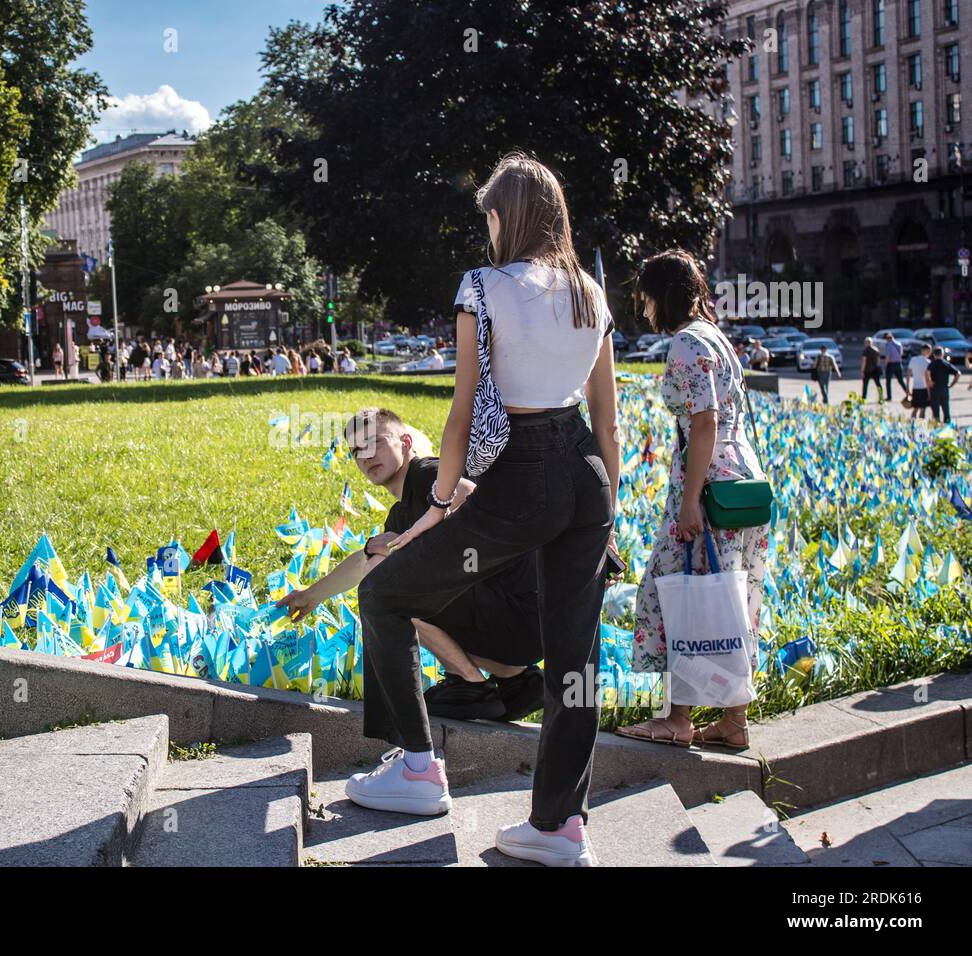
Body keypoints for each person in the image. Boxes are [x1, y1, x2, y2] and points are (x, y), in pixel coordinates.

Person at [345, 152, 619, 867]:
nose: (486, 228)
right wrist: (609, 517)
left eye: (488, 216)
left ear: (505, 216)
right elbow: (607, 422)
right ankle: (560, 827)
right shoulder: (591, 290)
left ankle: (416, 769)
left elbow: (462, 418)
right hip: (586, 475)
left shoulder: (482, 287)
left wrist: (436, 509)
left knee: (382, 594)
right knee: (575, 664)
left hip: (523, 474)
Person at [276, 408, 546, 722]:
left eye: (374, 442)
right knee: (382, 575)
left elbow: (470, 496)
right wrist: (310, 596)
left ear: (405, 443)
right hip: (521, 629)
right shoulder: (401, 512)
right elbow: (366, 560)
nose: (365, 456)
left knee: (388, 585)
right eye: (355, 451)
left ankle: (470, 685)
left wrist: (409, 544)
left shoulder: (427, 473)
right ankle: (517, 681)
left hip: (520, 609)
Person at [617, 250, 769, 754]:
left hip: (706, 482)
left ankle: (675, 719)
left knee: (670, 589)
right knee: (727, 596)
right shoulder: (716, 336)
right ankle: (733, 721)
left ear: (663, 296)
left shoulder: (685, 342)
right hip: (741, 481)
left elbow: (702, 422)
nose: (642, 311)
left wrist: (688, 502)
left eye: (644, 299)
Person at [927, 346, 960, 423]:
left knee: (936, 412)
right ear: (942, 354)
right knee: (946, 411)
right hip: (944, 389)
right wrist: (952, 384)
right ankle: (947, 427)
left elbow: (927, 373)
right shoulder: (946, 364)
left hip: (935, 389)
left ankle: (937, 427)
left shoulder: (932, 364)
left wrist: (930, 381)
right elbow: (958, 373)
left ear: (934, 354)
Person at [908, 343, 932, 420]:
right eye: (929, 351)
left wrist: (907, 387)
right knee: (923, 409)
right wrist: (929, 392)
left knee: (915, 408)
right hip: (924, 388)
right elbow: (928, 378)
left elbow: (908, 374)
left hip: (915, 387)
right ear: (927, 351)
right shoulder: (928, 362)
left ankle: (912, 425)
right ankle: (921, 426)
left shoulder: (913, 360)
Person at [882, 333, 908, 401]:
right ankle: (908, 393)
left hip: (891, 364)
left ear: (887, 339)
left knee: (888, 381)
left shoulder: (888, 345)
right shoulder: (899, 344)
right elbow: (901, 354)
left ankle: (889, 397)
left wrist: (885, 364)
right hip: (899, 364)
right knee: (901, 381)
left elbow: (887, 357)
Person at [860, 337, 883, 403]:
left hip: (867, 370)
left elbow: (864, 361)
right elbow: (878, 360)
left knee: (865, 385)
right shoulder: (876, 350)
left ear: (867, 343)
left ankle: (863, 399)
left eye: (865, 342)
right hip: (875, 370)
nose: (864, 344)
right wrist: (877, 367)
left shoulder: (865, 351)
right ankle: (881, 398)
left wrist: (862, 371)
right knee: (878, 384)